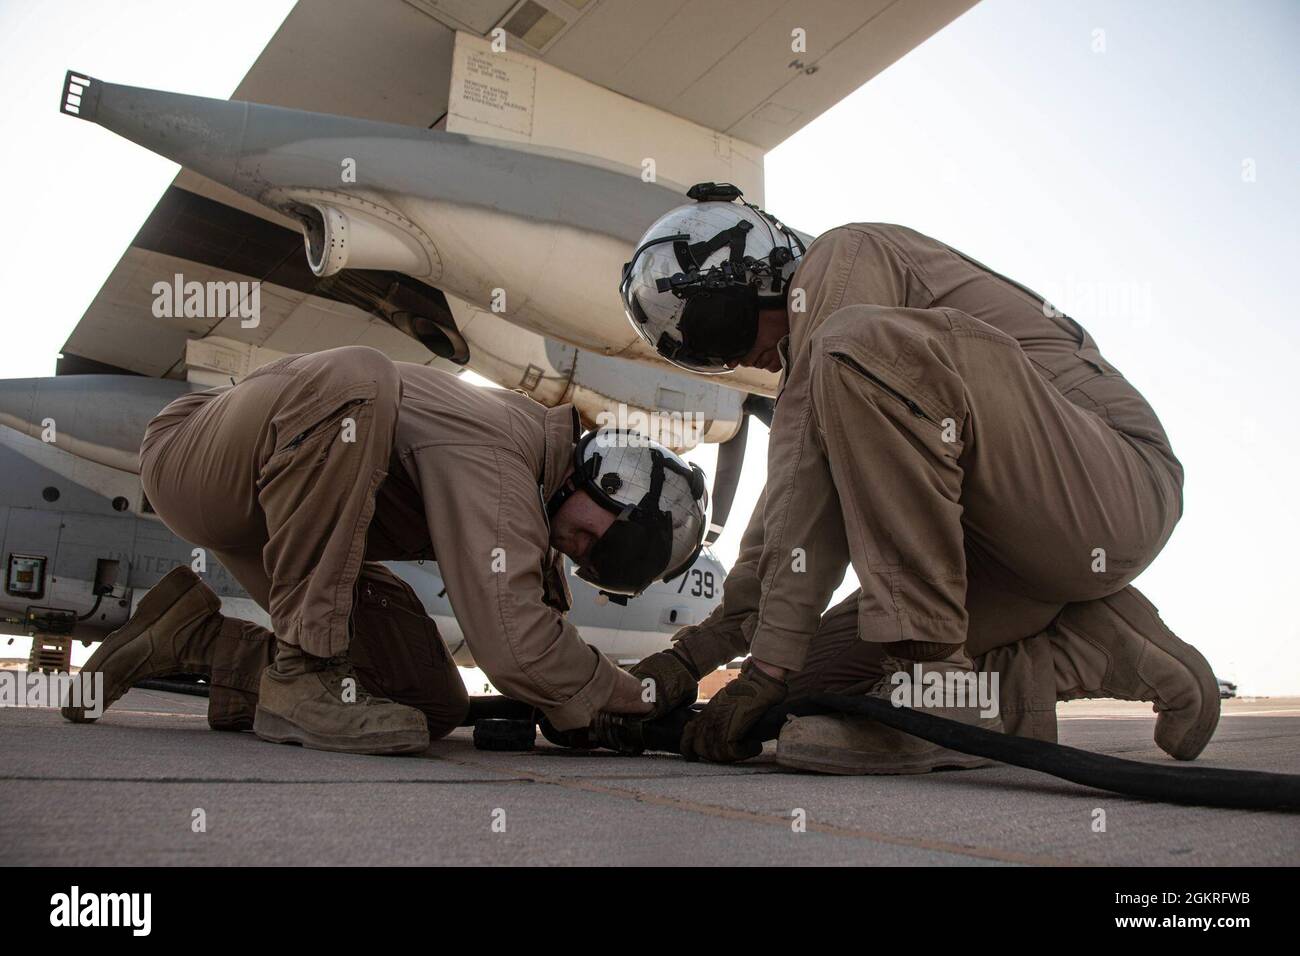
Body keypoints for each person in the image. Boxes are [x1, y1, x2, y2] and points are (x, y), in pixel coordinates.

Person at [621, 186, 1218, 773]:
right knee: (813, 693)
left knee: (853, 346)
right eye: (696, 352)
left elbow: (802, 491)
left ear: (762, 272)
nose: (731, 358)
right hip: (1000, 557)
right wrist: (706, 660)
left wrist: (759, 665)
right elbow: (796, 513)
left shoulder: (841, 262)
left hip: (1111, 486)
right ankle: (1081, 650)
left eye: (714, 328)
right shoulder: (821, 356)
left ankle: (934, 684)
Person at [63, 347, 709, 755]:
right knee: (359, 381)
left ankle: (198, 638)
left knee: (428, 704)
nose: (575, 550)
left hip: (270, 517)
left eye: (587, 560)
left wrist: (591, 710)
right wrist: (634, 694)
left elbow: (540, 639)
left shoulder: (538, 494)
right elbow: (515, 643)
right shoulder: (507, 449)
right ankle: (301, 673)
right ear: (608, 473)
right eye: (593, 536)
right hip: (198, 457)